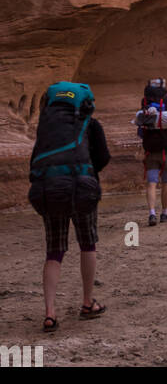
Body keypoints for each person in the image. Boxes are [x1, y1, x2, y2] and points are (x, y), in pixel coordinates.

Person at [28, 81, 110, 331]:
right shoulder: (89, 123)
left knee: (54, 250)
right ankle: (87, 302)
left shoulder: (47, 127)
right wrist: (86, 170)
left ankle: (50, 313)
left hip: (51, 188)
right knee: (88, 244)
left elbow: (35, 161)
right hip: (82, 189)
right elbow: (103, 157)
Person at [134, 78, 167, 226]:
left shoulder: (144, 114)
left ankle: (151, 214)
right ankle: (164, 213)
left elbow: (141, 133)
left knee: (151, 183)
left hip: (151, 151)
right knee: (166, 182)